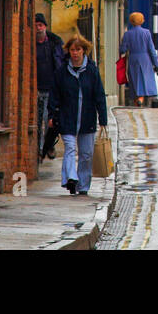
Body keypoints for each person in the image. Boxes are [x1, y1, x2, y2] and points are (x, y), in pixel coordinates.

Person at [47, 36, 107, 195]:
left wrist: (103, 119)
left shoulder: (92, 71)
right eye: (72, 50)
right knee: (70, 148)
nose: (75, 53)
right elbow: (54, 94)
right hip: (67, 118)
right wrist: (52, 114)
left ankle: (83, 187)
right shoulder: (62, 72)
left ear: (84, 51)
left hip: (87, 119)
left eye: (78, 50)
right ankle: (71, 179)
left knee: (86, 154)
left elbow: (99, 95)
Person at [34, 14, 64, 162]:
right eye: (36, 25)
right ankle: (39, 150)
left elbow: (60, 64)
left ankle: (48, 146)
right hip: (36, 89)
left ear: (45, 27)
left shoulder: (54, 43)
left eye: (40, 25)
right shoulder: (30, 45)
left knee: (49, 121)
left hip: (51, 88)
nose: (38, 28)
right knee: (37, 121)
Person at [119, 12, 158, 107]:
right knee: (145, 80)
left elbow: (123, 50)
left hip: (133, 59)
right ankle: (142, 99)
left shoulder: (127, 34)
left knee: (134, 80)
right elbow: (151, 50)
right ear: (141, 21)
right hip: (145, 59)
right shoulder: (146, 33)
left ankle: (137, 100)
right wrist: (156, 64)